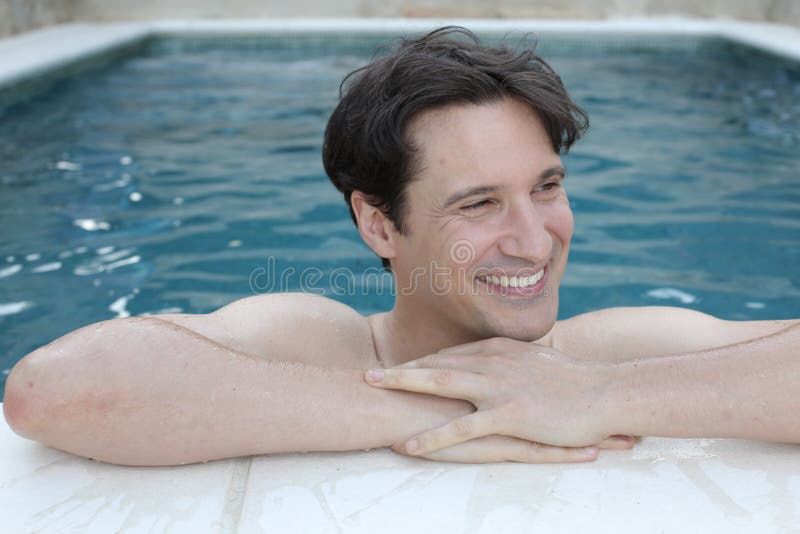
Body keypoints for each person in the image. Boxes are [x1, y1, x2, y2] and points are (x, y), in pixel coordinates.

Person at [3, 27, 798, 467]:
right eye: (479, 203)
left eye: (547, 187)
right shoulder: (313, 341)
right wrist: (452, 404)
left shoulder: (618, 352)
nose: (534, 239)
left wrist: (600, 397)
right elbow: (55, 391)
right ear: (378, 223)